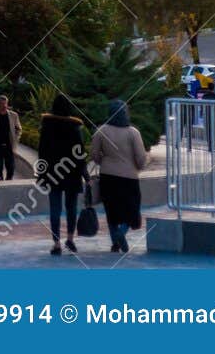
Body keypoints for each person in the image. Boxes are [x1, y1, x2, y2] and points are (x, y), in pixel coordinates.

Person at [90, 99, 149, 253]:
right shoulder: (133, 132)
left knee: (112, 211)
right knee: (131, 210)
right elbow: (141, 158)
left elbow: (94, 155)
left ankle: (115, 242)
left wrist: (104, 161)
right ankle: (120, 233)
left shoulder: (101, 131)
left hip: (108, 176)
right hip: (129, 177)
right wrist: (139, 167)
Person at [36, 93, 87, 256]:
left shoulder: (47, 126)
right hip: (72, 173)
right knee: (71, 207)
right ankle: (70, 239)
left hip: (53, 173)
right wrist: (85, 174)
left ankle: (56, 243)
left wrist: (41, 174)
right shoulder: (74, 127)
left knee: (55, 208)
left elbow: (42, 153)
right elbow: (80, 153)